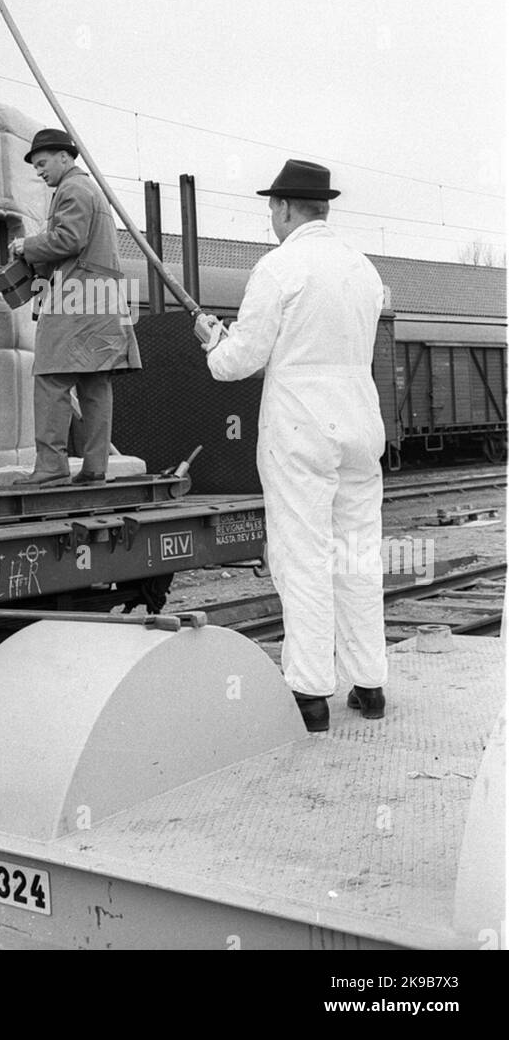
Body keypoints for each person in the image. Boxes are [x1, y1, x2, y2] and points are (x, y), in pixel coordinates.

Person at [196, 159, 387, 732]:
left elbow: (240, 362)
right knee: (356, 553)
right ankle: (370, 685)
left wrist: (212, 341)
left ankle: (309, 693)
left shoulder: (279, 267)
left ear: (283, 208)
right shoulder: (364, 270)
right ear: (322, 207)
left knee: (303, 557)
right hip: (360, 422)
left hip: (300, 429)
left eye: (271, 210)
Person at [10, 128, 141, 485]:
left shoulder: (72, 189)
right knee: (94, 381)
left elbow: (69, 239)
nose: (39, 171)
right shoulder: (88, 190)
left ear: (64, 157)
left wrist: (26, 247)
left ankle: (51, 466)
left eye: (42, 163)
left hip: (78, 297)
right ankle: (95, 467)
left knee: (51, 377)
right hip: (101, 298)